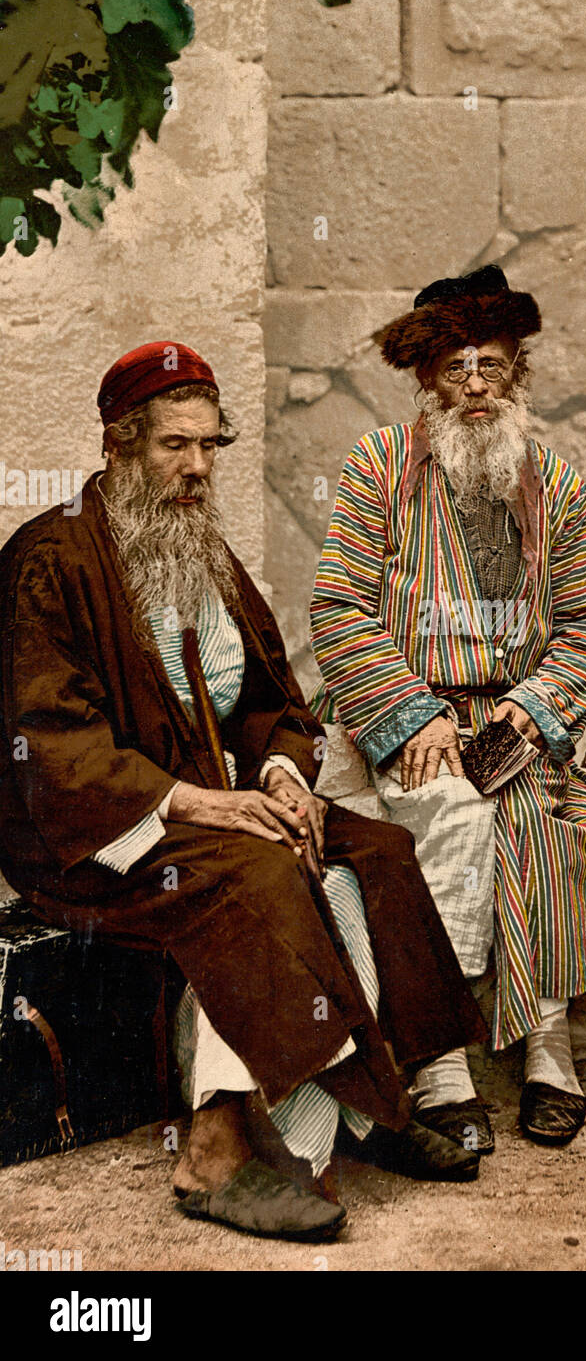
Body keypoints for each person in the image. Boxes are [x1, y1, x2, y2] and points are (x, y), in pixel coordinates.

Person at [0, 342, 488, 1242]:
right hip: (93, 835)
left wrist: (280, 775)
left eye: (209, 446)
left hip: (221, 806)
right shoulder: (50, 560)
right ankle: (214, 1152)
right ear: (118, 445)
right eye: (172, 447)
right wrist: (203, 804)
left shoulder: (200, 549)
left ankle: (385, 1101)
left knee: (376, 849)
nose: (196, 468)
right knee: (256, 875)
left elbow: (268, 698)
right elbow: (50, 748)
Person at [309, 266, 586, 1151]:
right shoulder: (379, 467)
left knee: (544, 827)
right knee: (442, 823)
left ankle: (549, 1053)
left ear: (519, 377)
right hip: (404, 718)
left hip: (512, 724)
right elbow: (338, 606)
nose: (474, 386)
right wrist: (407, 711)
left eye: (493, 367)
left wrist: (531, 712)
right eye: (456, 367)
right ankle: (441, 1064)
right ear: (427, 379)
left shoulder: (555, 484)